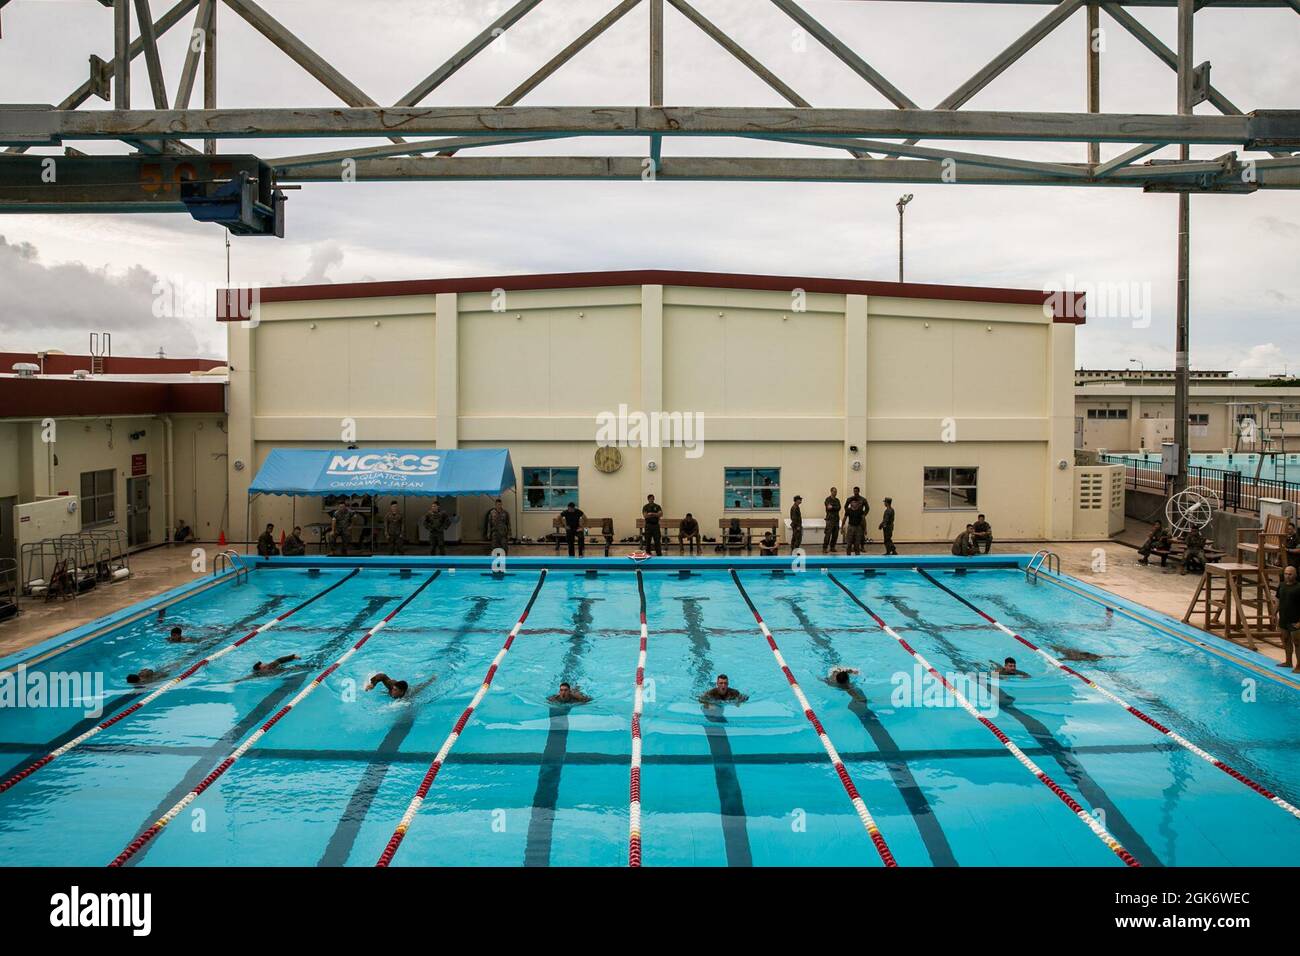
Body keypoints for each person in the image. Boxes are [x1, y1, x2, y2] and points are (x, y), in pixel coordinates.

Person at [1275, 564, 1300, 672]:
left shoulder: (1299, 587)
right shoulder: (1281, 585)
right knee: (1285, 640)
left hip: (1295, 620)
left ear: (1295, 575)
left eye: (1290, 574)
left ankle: (1299, 665)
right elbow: (1278, 600)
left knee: (1297, 643)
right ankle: (1288, 661)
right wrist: (1273, 613)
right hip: (1284, 619)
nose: (1287, 576)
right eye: (1286, 574)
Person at [842, 487, 868, 556]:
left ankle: (860, 551)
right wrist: (842, 526)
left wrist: (863, 515)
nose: (855, 492)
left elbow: (867, 508)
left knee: (858, 543)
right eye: (854, 491)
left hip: (859, 524)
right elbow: (845, 508)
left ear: (859, 491)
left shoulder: (863, 500)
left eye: (856, 491)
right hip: (851, 526)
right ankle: (848, 558)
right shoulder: (850, 500)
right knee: (849, 544)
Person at [823, 487, 842, 553]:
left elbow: (839, 507)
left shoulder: (837, 500)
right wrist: (834, 507)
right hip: (830, 519)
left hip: (836, 519)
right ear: (831, 491)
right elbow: (828, 507)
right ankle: (825, 548)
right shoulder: (828, 499)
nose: (835, 493)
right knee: (828, 534)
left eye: (836, 492)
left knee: (835, 534)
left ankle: (832, 547)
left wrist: (832, 507)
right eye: (834, 491)